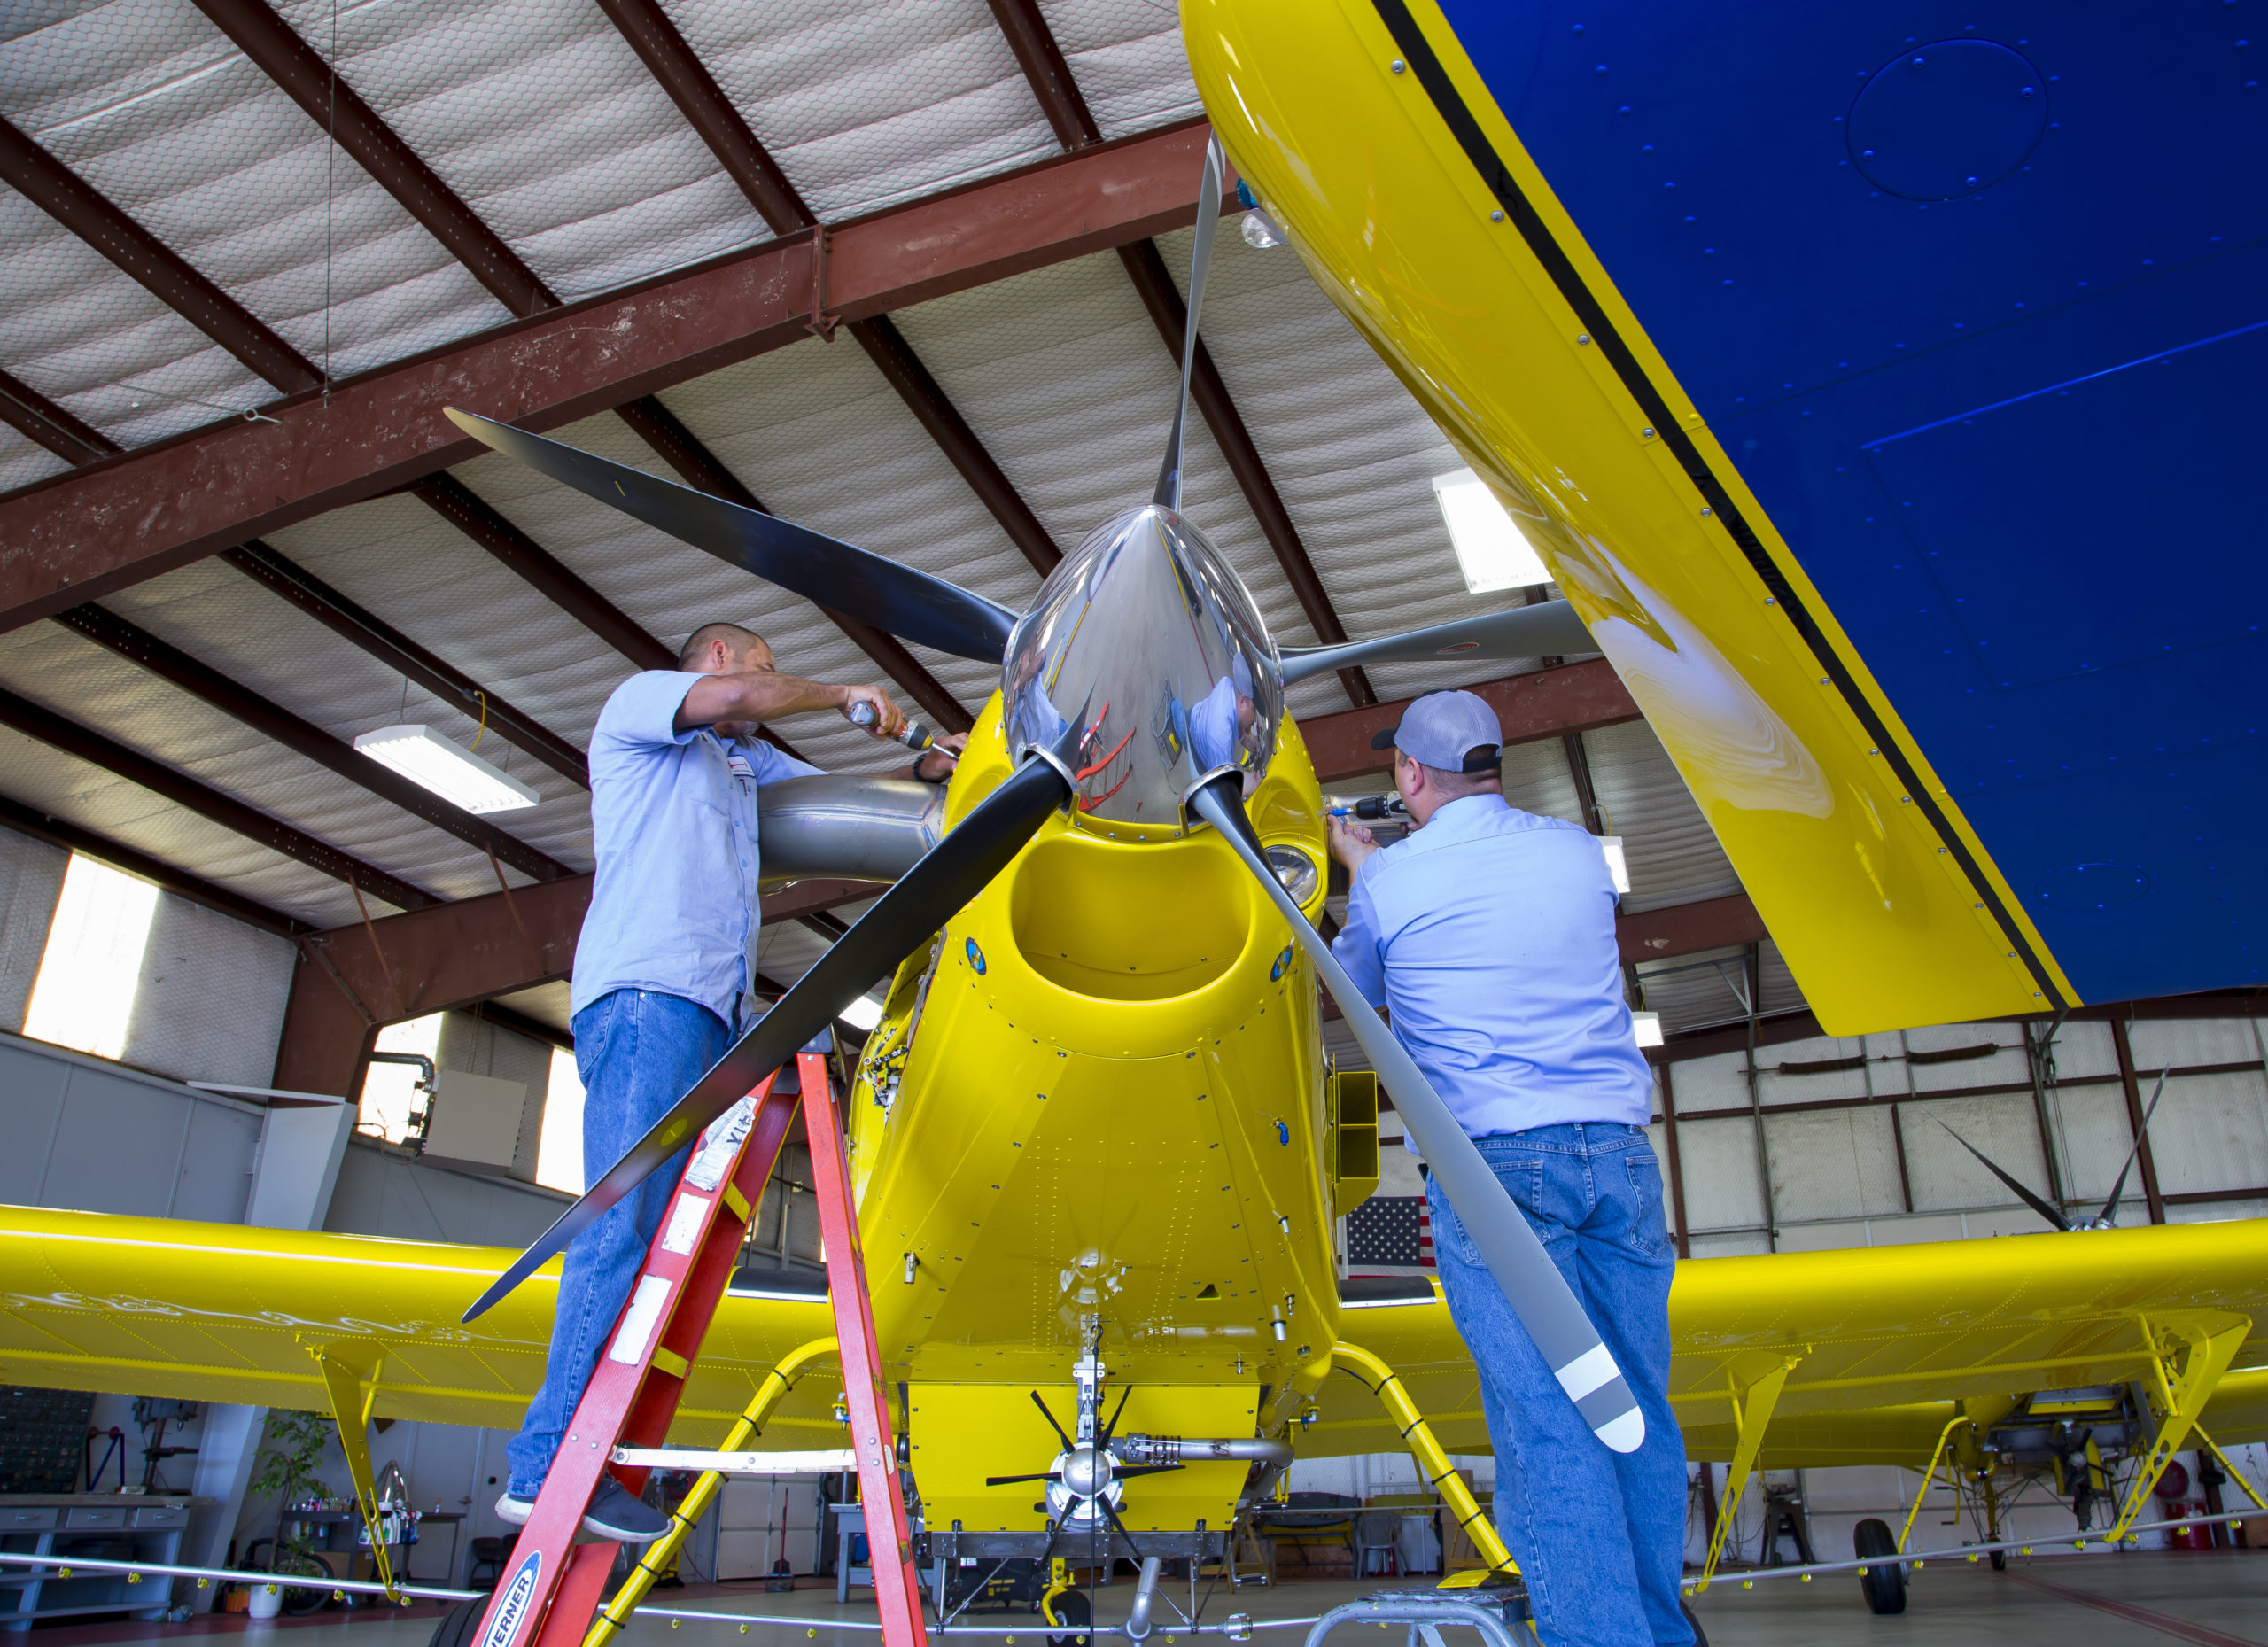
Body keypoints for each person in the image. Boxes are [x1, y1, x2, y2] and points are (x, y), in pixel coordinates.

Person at [497, 622, 962, 1540]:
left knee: (651, 1241)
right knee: (619, 1225)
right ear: (715, 660)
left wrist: (935, 762)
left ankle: (590, 1457)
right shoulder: (643, 707)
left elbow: (838, 797)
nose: (768, 678)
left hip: (710, 1012)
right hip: (645, 994)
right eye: (760, 662)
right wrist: (835, 695)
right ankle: (546, 1464)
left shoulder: (740, 768)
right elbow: (749, 701)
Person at [1325, 689, 1687, 1647]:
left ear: (1408, 775)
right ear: (1494, 760)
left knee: (1549, 1421)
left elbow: (1349, 991)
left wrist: (1363, 868)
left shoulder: (1390, 882)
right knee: (1636, 1408)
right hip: (1617, 1154)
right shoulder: (1575, 852)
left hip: (1497, 1172)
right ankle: (1657, 1628)